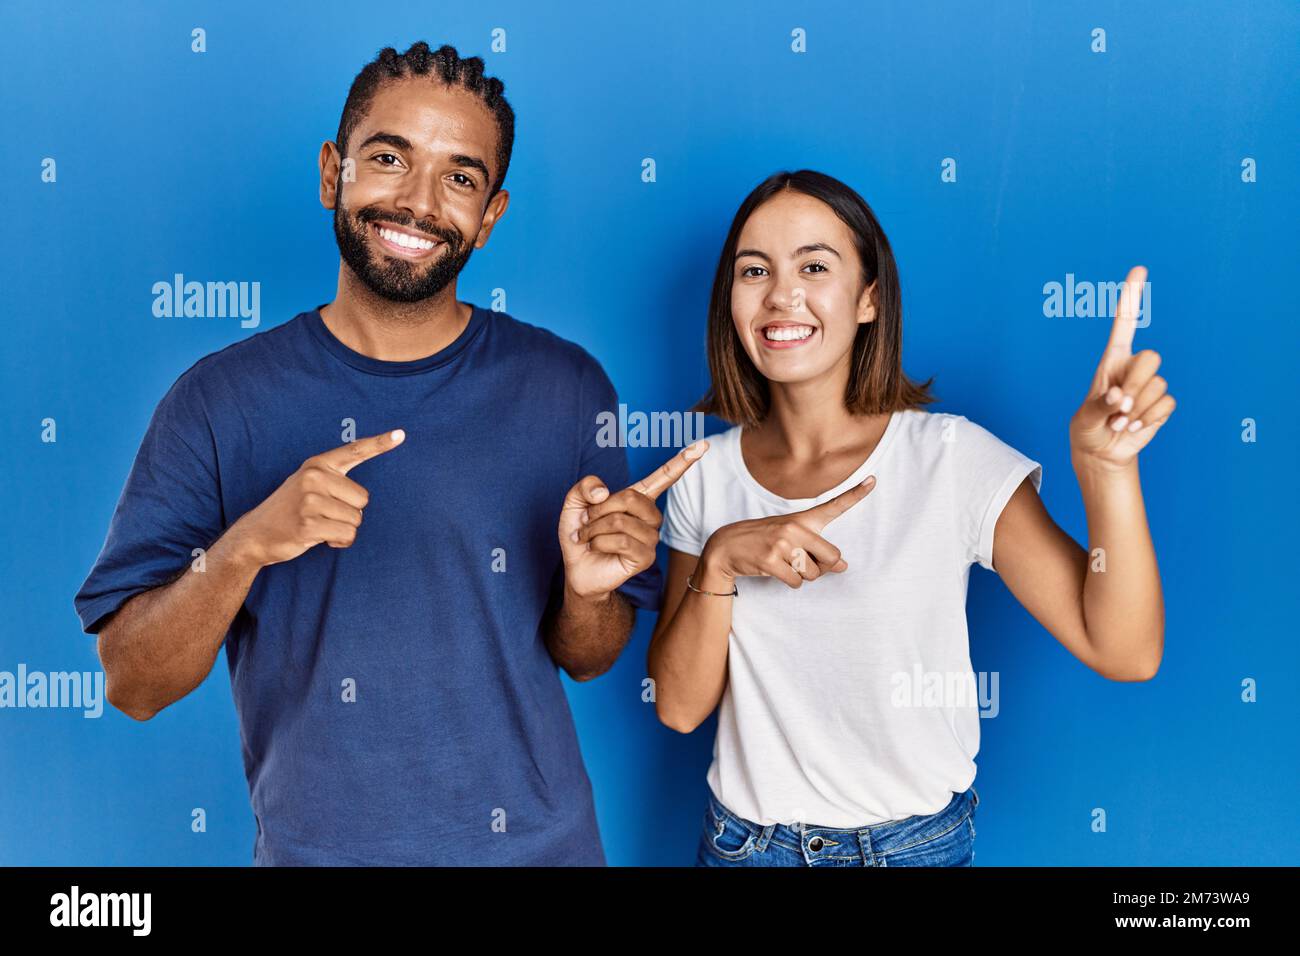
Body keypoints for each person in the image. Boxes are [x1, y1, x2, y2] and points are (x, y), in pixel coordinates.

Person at [74, 41, 705, 866]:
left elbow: (588, 660)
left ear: (491, 215)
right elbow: (131, 685)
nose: (417, 202)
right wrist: (245, 548)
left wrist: (589, 595)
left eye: (459, 177)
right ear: (333, 172)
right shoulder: (215, 402)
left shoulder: (565, 386)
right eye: (388, 158)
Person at [644, 169, 1172, 867]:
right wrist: (719, 560)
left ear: (868, 299)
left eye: (814, 265)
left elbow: (1126, 651)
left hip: (910, 850)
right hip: (743, 847)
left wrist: (1107, 471)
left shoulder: (950, 458)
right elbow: (679, 708)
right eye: (754, 270)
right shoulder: (702, 475)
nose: (782, 294)